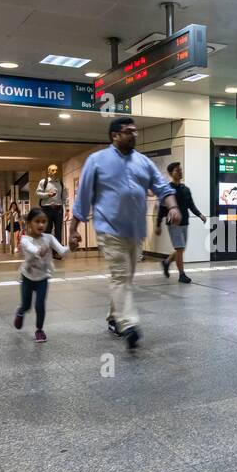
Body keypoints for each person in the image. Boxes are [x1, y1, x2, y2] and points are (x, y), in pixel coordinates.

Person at [69, 117, 179, 351]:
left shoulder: (143, 162)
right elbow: (83, 197)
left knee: (125, 278)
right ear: (114, 135)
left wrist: (173, 206)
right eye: (128, 131)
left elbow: (162, 188)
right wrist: (73, 230)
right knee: (120, 275)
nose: (134, 135)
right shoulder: (96, 161)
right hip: (109, 229)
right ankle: (128, 324)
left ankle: (113, 317)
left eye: (135, 131)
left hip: (136, 231)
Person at [13, 207, 69, 344]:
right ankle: (20, 312)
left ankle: (39, 330)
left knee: (40, 305)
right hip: (27, 277)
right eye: (37, 221)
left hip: (43, 277)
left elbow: (62, 251)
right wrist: (39, 250)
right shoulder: (25, 239)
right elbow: (32, 249)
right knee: (27, 306)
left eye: (44, 222)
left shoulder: (49, 238)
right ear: (29, 223)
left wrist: (71, 246)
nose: (41, 225)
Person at [157, 161, 206, 283]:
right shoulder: (167, 190)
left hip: (185, 222)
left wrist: (199, 214)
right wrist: (158, 224)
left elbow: (191, 205)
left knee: (181, 249)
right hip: (173, 223)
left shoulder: (185, 189)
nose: (180, 172)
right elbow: (162, 209)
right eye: (177, 170)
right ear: (170, 173)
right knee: (179, 249)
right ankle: (182, 274)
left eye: (180, 170)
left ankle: (166, 262)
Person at [36, 164, 67, 244]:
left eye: (56, 170)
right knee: (47, 231)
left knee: (58, 231)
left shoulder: (60, 182)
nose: (55, 172)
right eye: (53, 170)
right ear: (48, 172)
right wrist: (47, 195)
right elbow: (37, 193)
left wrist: (67, 209)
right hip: (47, 209)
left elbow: (65, 197)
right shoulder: (43, 182)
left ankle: (57, 251)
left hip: (58, 209)